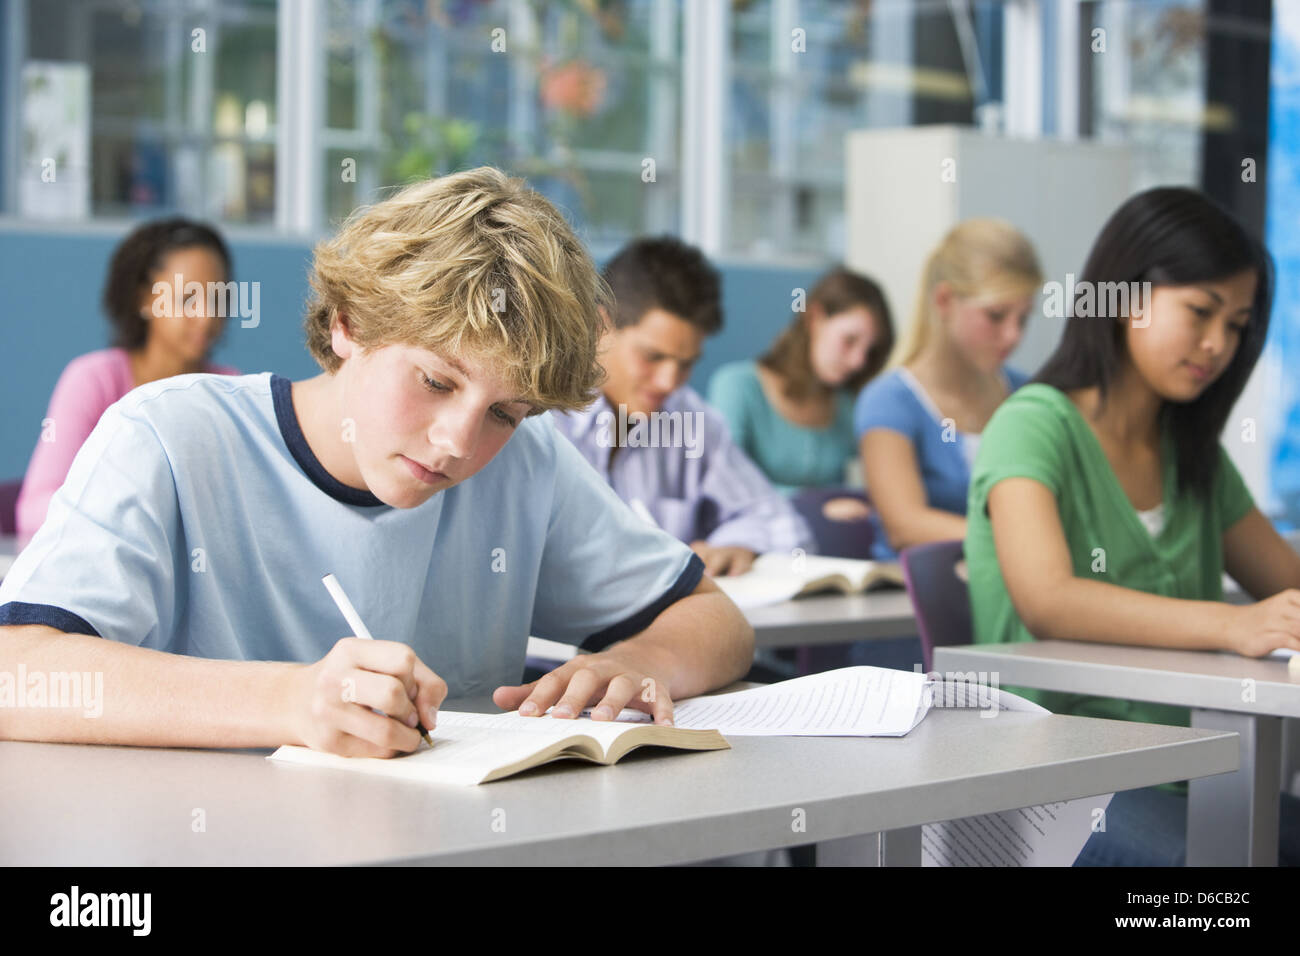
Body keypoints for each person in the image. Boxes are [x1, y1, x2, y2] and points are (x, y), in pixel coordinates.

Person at [0, 168, 754, 755]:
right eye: (435, 380)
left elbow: (714, 621)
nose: (460, 441)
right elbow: (17, 674)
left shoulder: (526, 464)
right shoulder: (168, 435)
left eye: (504, 411)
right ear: (348, 325)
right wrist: (290, 702)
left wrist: (637, 661)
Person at [966, 186, 1300, 865]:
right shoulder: (1032, 424)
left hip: (1195, 763)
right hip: (1057, 773)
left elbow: (1289, 584)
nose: (1218, 344)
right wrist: (1235, 624)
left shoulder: (1191, 451)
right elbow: (1049, 600)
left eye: (1236, 325)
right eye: (1200, 312)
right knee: (1209, 873)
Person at [551, 236, 814, 578]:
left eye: (686, 364)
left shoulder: (691, 420)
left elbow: (787, 529)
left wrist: (738, 544)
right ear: (600, 326)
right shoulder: (541, 418)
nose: (668, 382)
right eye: (653, 357)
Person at [15, 217, 240, 538]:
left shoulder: (229, 390)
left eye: (218, 299)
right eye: (188, 299)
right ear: (144, 299)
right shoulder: (93, 380)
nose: (206, 317)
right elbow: (34, 511)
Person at [855, 220, 1042, 561]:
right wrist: (1028, 541)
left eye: (1024, 319)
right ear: (945, 300)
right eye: (997, 316)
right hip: (913, 602)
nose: (1014, 335)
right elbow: (905, 526)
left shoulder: (1026, 394)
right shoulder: (889, 401)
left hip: (1012, 595)